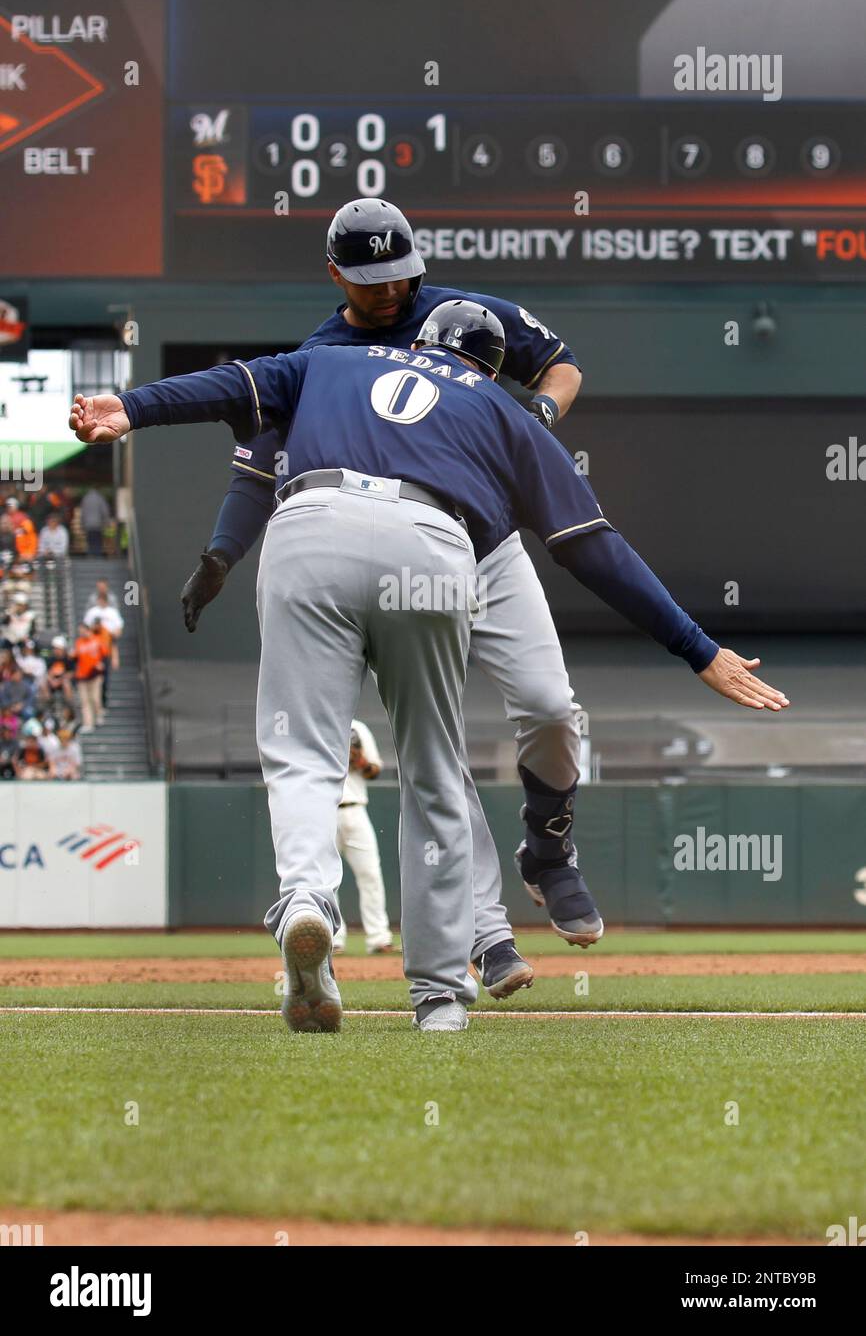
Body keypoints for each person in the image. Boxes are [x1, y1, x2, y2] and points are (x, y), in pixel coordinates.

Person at [70, 300, 788, 1033]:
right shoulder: (502, 410)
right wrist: (699, 648)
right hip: (435, 543)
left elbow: (227, 386)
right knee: (434, 766)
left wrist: (125, 408)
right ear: (485, 362)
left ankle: (310, 902)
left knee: (304, 754)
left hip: (310, 525)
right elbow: (592, 547)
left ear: (419, 341)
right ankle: (441, 994)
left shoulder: (331, 358)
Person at [181, 199, 589, 1000]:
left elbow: (563, 367)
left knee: (546, 705)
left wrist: (534, 422)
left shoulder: (463, 316)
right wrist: (222, 555)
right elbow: (257, 465)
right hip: (377, 536)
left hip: (485, 534)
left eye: (404, 275)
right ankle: (485, 936)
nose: (393, 293)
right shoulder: (322, 354)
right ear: (335, 275)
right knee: (429, 744)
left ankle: (547, 848)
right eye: (374, 281)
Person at [332, 719, 394, 955]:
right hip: (323, 812)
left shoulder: (356, 727)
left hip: (356, 809)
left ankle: (378, 938)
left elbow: (374, 770)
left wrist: (358, 760)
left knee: (370, 874)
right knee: (327, 879)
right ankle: (333, 938)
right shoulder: (314, 721)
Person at [70, 621, 105, 733]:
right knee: (84, 701)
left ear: (88, 630)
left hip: (95, 673)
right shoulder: (79, 642)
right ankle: (88, 723)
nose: (81, 633)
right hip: (82, 675)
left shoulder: (97, 640)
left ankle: (99, 714)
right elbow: (75, 657)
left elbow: (105, 655)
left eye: (82, 630)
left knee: (95, 697)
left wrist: (102, 664)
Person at [79, 488, 111, 556]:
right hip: (98, 523)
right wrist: (106, 522)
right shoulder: (100, 498)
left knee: (90, 540)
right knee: (98, 540)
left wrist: (82, 523)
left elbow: (83, 512)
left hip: (88, 524)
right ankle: (97, 556)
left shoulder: (85, 498)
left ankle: (91, 555)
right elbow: (105, 511)